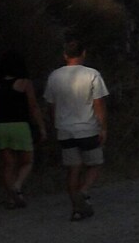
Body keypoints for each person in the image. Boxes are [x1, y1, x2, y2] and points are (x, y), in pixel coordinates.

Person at [45, 40, 108, 222]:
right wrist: (103, 127)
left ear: (65, 55)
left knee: (73, 168)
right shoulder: (92, 75)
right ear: (83, 53)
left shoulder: (54, 76)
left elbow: (51, 104)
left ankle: (76, 207)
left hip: (65, 129)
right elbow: (98, 103)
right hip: (87, 128)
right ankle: (83, 191)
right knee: (95, 163)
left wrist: (55, 123)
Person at [0, 51, 47, 209]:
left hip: (1, 127)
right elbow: (33, 106)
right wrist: (41, 127)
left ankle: (11, 198)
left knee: (8, 165)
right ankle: (17, 186)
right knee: (27, 161)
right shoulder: (24, 83)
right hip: (20, 126)